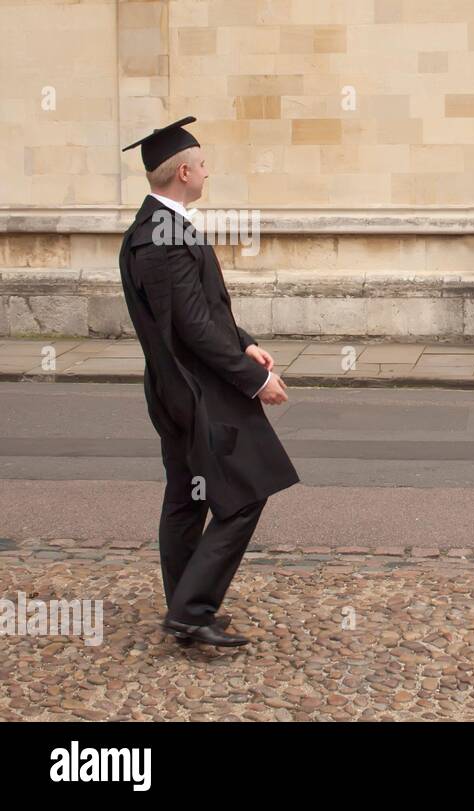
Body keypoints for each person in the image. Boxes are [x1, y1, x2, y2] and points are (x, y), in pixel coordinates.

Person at [118, 117, 299, 647]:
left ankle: (186, 611)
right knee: (245, 492)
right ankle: (191, 610)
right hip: (197, 394)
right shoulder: (159, 236)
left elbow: (199, 309)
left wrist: (242, 339)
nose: (206, 172)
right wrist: (252, 379)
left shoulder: (162, 225)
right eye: (202, 164)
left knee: (186, 498)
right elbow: (192, 327)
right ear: (182, 171)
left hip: (182, 389)